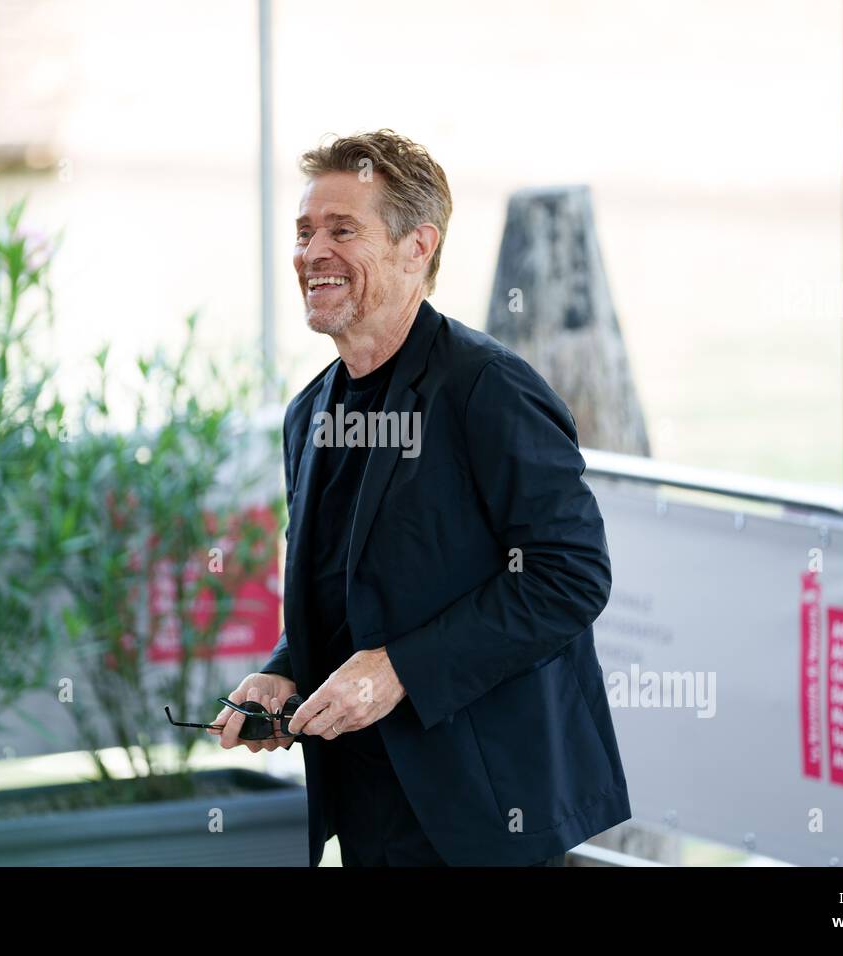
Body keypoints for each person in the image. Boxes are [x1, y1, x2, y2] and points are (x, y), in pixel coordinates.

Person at [214, 130, 629, 866]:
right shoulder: (308, 412)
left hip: (486, 807)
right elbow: (345, 589)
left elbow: (571, 577)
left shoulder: (488, 389)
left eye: (343, 230)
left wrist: (400, 669)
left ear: (417, 246)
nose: (313, 252)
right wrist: (286, 669)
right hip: (369, 804)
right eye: (306, 231)